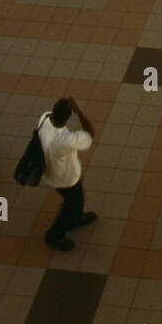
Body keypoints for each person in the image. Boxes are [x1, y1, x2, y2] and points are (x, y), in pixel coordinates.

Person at [39, 97, 96, 252]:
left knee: (74, 201)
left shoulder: (44, 120)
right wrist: (78, 110)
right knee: (72, 205)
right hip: (66, 179)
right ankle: (54, 234)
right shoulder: (65, 140)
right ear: (67, 118)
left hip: (51, 172)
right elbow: (90, 133)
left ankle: (76, 217)